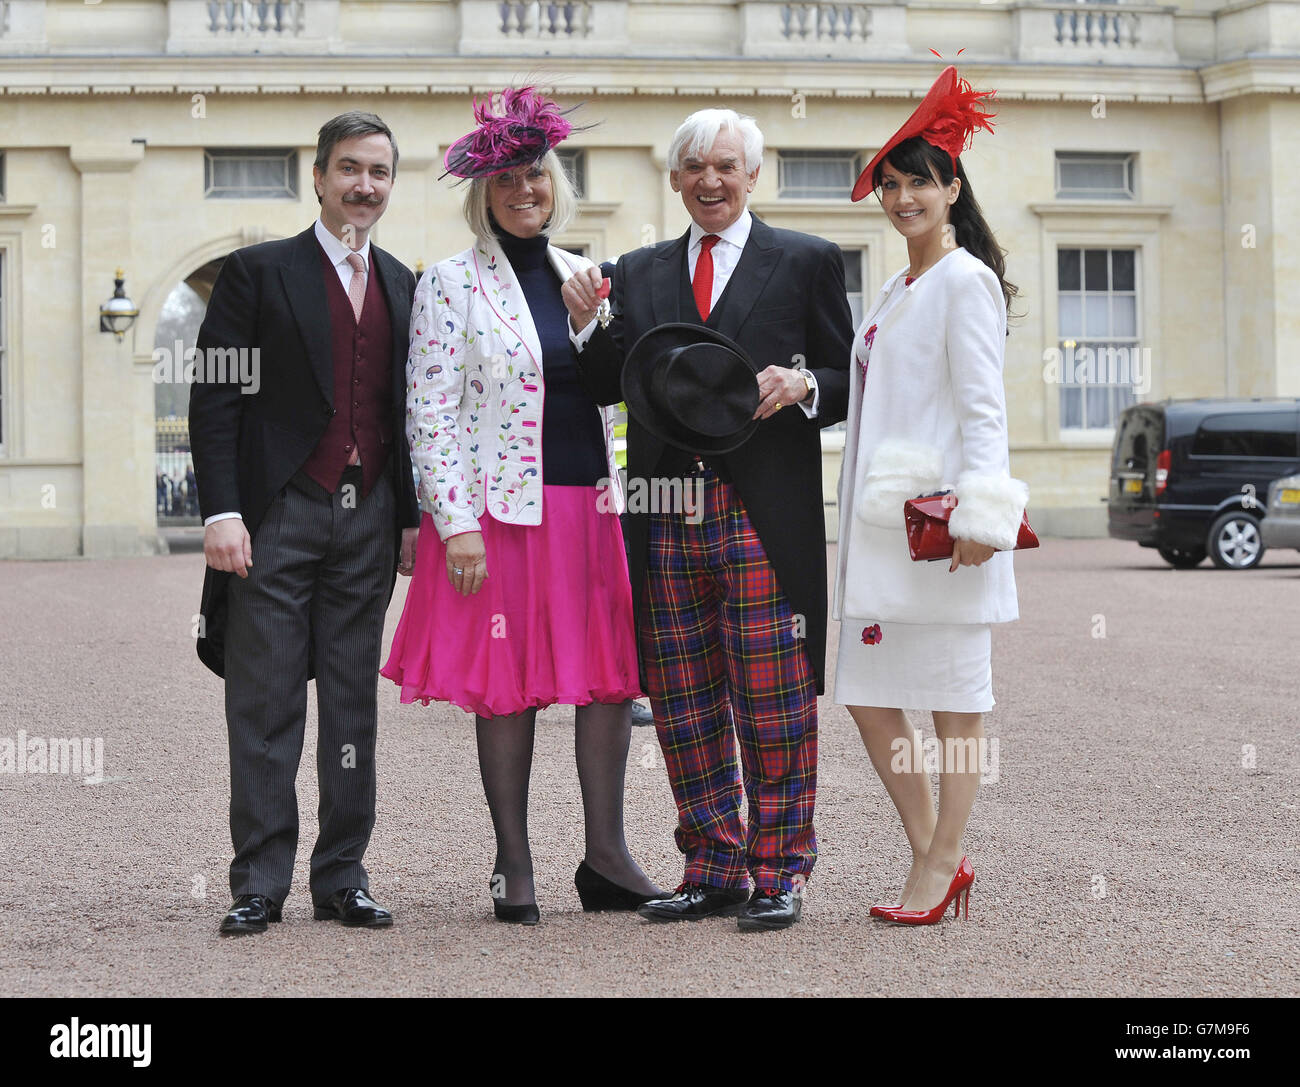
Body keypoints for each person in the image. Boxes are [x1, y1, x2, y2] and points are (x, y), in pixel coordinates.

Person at [563, 108, 853, 931]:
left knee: (775, 700)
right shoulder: (640, 269)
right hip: (662, 509)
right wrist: (587, 322)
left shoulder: (806, 261)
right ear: (674, 178)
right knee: (684, 697)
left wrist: (805, 386)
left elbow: (851, 372)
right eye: (693, 166)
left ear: (753, 175)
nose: (710, 180)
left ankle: (779, 871)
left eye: (726, 165)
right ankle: (713, 864)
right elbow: (608, 384)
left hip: (763, 511)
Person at [381, 88, 661, 925]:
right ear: (484, 192)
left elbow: (613, 387)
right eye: (506, 179)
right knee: (508, 684)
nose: (523, 190)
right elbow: (428, 411)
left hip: (593, 506)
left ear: (555, 183)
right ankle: (513, 863)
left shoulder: (588, 274)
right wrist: (454, 522)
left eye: (535, 175)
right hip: (500, 514)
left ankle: (606, 855)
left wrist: (592, 328)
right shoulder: (450, 282)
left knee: (608, 679)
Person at [190, 111, 420, 936]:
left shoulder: (404, 281)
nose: (365, 185)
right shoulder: (257, 273)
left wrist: (414, 520)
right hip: (275, 515)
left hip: (369, 519)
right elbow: (215, 395)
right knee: (265, 702)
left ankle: (342, 877)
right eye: (351, 169)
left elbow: (410, 410)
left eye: (380, 173)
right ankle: (258, 881)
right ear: (318, 176)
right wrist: (221, 509)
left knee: (353, 706)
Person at [832, 66, 1024, 925]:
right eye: (894, 184)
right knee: (869, 694)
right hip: (882, 528)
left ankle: (941, 857)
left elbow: (986, 408)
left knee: (954, 701)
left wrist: (984, 515)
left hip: (944, 530)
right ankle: (934, 852)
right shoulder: (891, 289)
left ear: (953, 189)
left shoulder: (964, 280)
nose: (904, 197)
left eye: (921, 182)